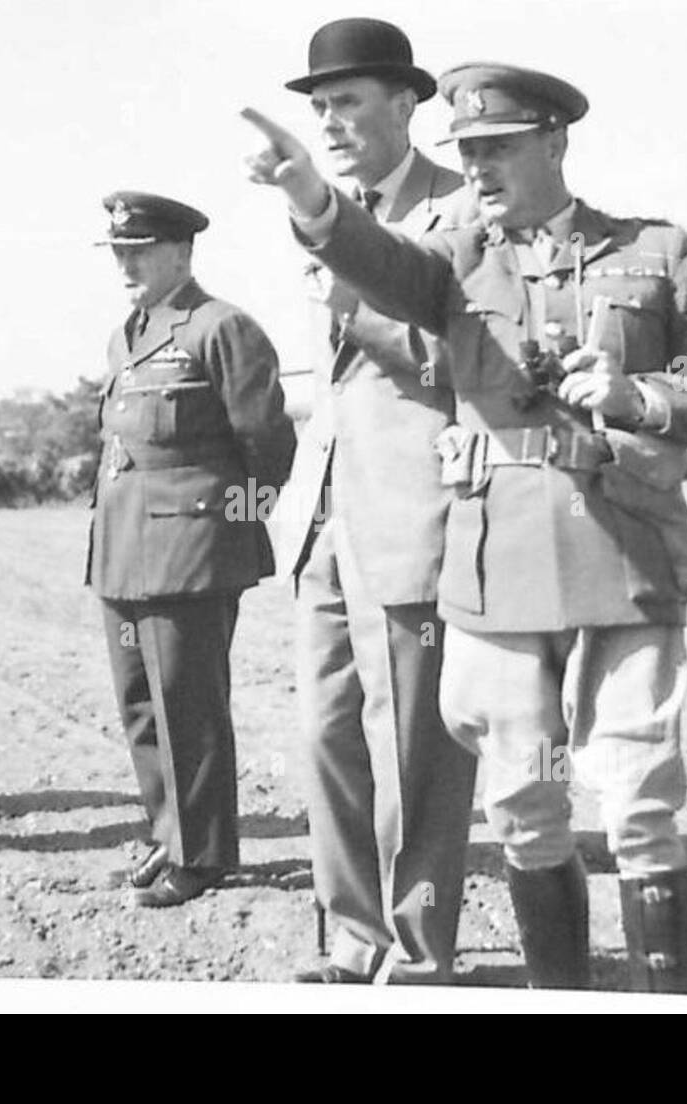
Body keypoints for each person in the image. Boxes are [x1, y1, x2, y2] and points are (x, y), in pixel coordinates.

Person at [244, 60, 687, 991]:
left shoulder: (656, 249)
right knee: (525, 799)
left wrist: (635, 396)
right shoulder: (456, 257)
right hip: (502, 570)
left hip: (623, 555)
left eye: (498, 148)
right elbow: (378, 260)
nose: (477, 168)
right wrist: (311, 196)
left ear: (554, 143)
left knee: (638, 802)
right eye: (466, 151)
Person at [269, 18, 476, 984]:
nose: (331, 122)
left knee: (417, 749)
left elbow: (457, 360)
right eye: (319, 108)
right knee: (326, 734)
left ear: (406, 104)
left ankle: (420, 950)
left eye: (349, 102)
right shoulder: (328, 211)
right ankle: (354, 936)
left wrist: (352, 297)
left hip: (413, 510)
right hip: (326, 514)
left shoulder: (460, 211)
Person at [87, 191, 295, 907]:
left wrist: (231, 531)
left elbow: (267, 442)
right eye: (119, 252)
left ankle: (203, 856)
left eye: (139, 251)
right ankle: (169, 835)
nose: (126, 265)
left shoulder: (220, 327)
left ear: (180, 252)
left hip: (193, 550)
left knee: (188, 704)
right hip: (122, 546)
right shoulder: (126, 336)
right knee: (141, 703)